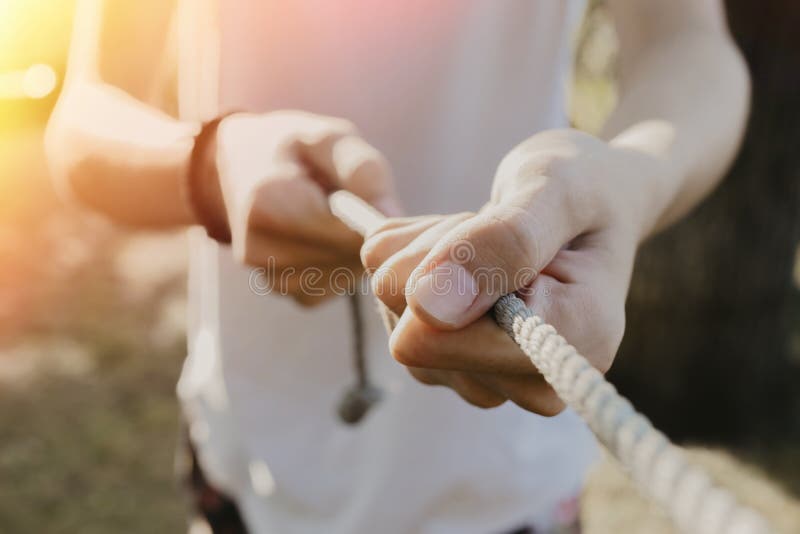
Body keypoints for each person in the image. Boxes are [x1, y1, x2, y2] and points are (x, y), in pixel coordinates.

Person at [45, 0, 749, 533]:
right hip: (251, 462)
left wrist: (626, 181)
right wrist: (209, 164)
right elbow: (86, 112)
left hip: (505, 491)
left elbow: (687, 45)